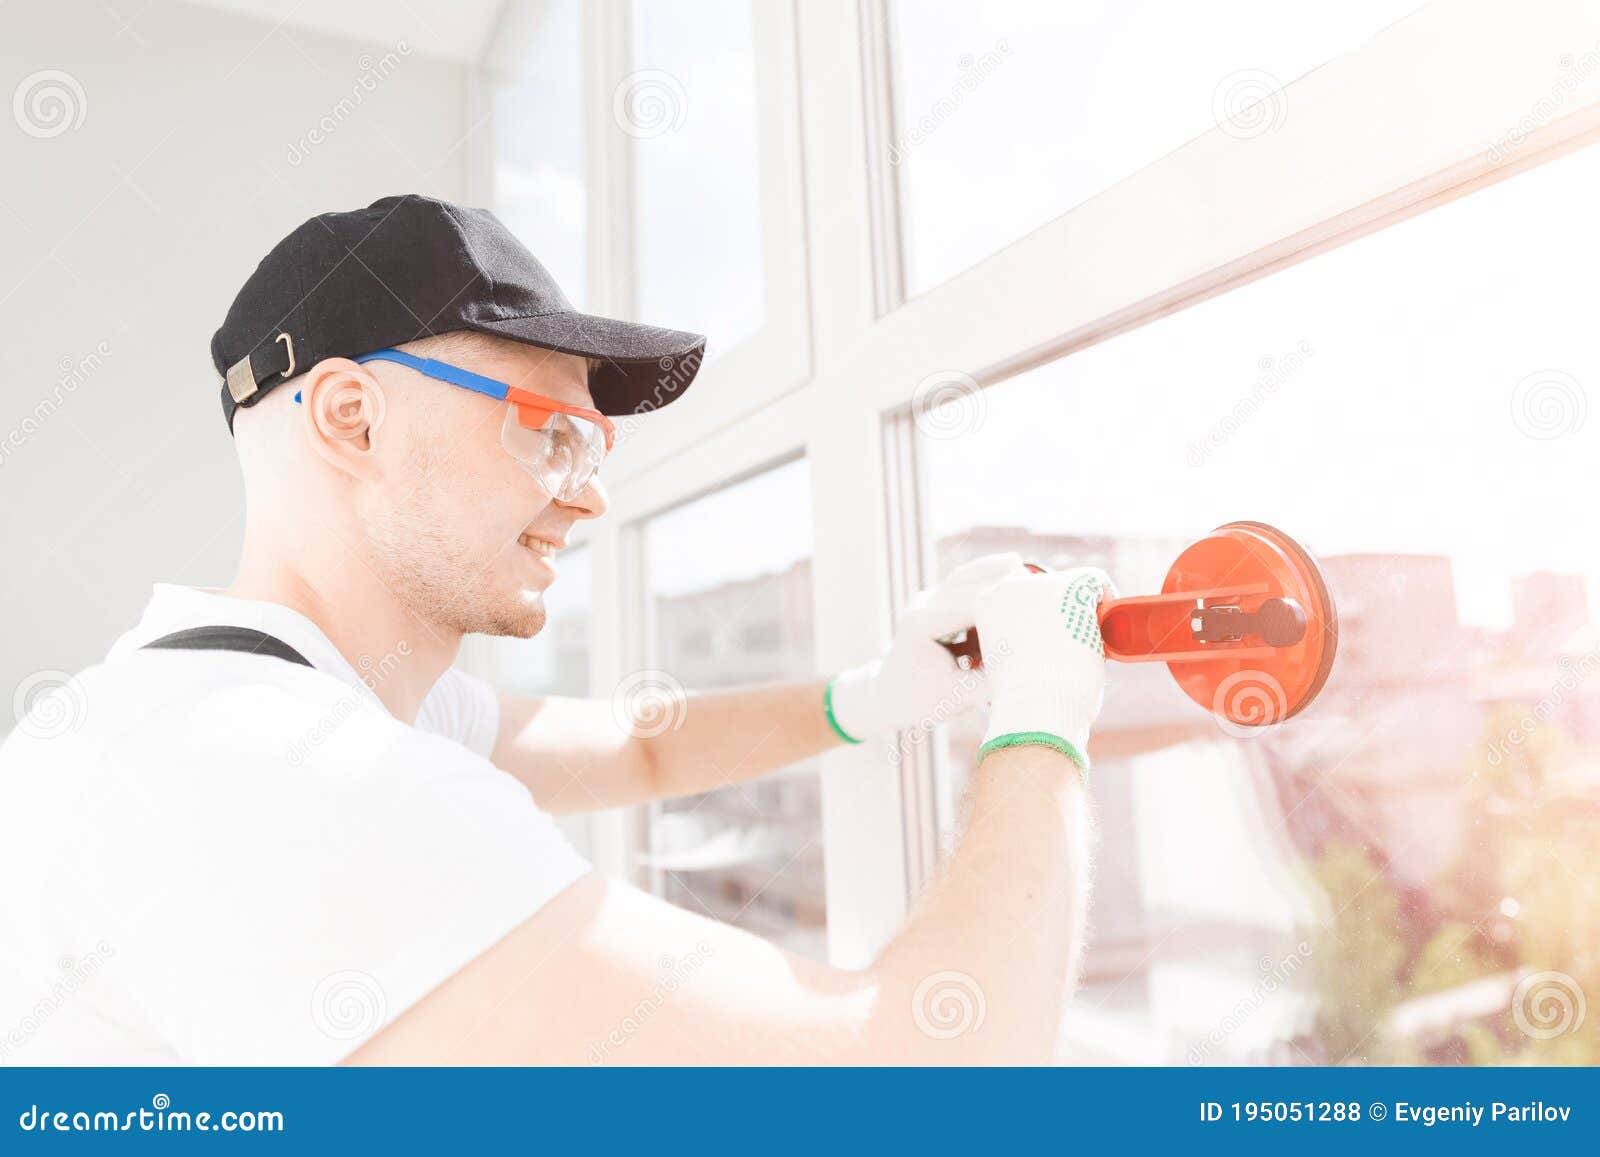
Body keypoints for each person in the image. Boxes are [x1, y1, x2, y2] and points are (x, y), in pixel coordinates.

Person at [0, 194, 1114, 1065]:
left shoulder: (267, 694)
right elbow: (934, 1081)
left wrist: (876, 693)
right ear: (349, 416)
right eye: (551, 433)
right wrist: (1041, 717)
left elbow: (642, 744)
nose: (588, 496)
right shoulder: (270, 776)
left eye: (595, 449)